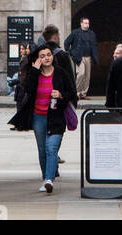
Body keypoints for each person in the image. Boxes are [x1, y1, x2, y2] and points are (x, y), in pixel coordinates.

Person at [8, 39, 76, 193]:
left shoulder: (60, 73)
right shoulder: (35, 74)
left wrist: (61, 95)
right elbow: (28, 90)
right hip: (39, 117)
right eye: (43, 56)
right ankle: (46, 177)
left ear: (53, 56)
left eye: (49, 55)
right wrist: (34, 70)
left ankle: (49, 180)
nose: (46, 58)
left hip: (56, 116)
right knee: (42, 149)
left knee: (51, 148)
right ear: (38, 59)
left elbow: (71, 93)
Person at [64, 17, 99, 98]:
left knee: (87, 76)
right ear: (81, 23)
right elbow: (66, 42)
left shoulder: (92, 34)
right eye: (85, 23)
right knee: (81, 74)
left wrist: (95, 58)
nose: (87, 25)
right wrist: (70, 52)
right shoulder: (75, 32)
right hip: (79, 57)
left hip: (88, 57)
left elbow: (94, 46)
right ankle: (76, 91)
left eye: (88, 23)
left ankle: (83, 93)